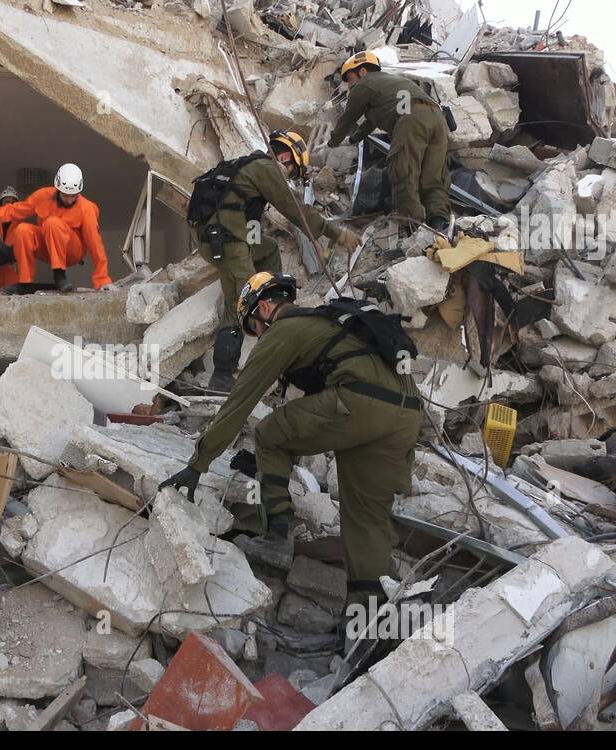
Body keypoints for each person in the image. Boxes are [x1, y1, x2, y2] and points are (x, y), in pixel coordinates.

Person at [159, 271, 422, 612]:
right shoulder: (330, 327)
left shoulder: (283, 331)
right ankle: (366, 620)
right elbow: (303, 422)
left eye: (252, 327)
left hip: (359, 404)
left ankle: (277, 536)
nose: (255, 336)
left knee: (268, 434)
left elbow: (240, 402)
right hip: (405, 414)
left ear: (265, 308)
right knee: (366, 519)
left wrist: (198, 463)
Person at [190, 130, 355, 392]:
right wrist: (336, 233)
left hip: (233, 236)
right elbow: (294, 208)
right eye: (292, 171)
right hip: (228, 242)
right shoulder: (266, 168)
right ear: (286, 155)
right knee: (241, 302)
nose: (289, 177)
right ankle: (222, 375)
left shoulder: (254, 164)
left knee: (268, 249)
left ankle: (274, 302)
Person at [327, 50, 451, 232]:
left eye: (349, 78)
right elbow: (370, 122)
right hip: (437, 119)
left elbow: (348, 118)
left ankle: (412, 225)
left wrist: (333, 142)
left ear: (362, 71)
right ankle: (439, 224)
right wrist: (353, 139)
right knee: (432, 175)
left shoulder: (364, 85)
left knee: (403, 170)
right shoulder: (389, 83)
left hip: (412, 118)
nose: (349, 84)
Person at [0, 163, 113, 293]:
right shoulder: (42, 197)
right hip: (48, 247)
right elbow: (13, 211)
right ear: (57, 189)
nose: (69, 200)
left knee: (52, 222)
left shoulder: (86, 208)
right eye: (65, 195)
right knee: (22, 230)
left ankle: (59, 275)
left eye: (73, 196)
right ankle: (25, 284)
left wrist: (103, 279)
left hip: (72, 251)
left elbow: (95, 243)